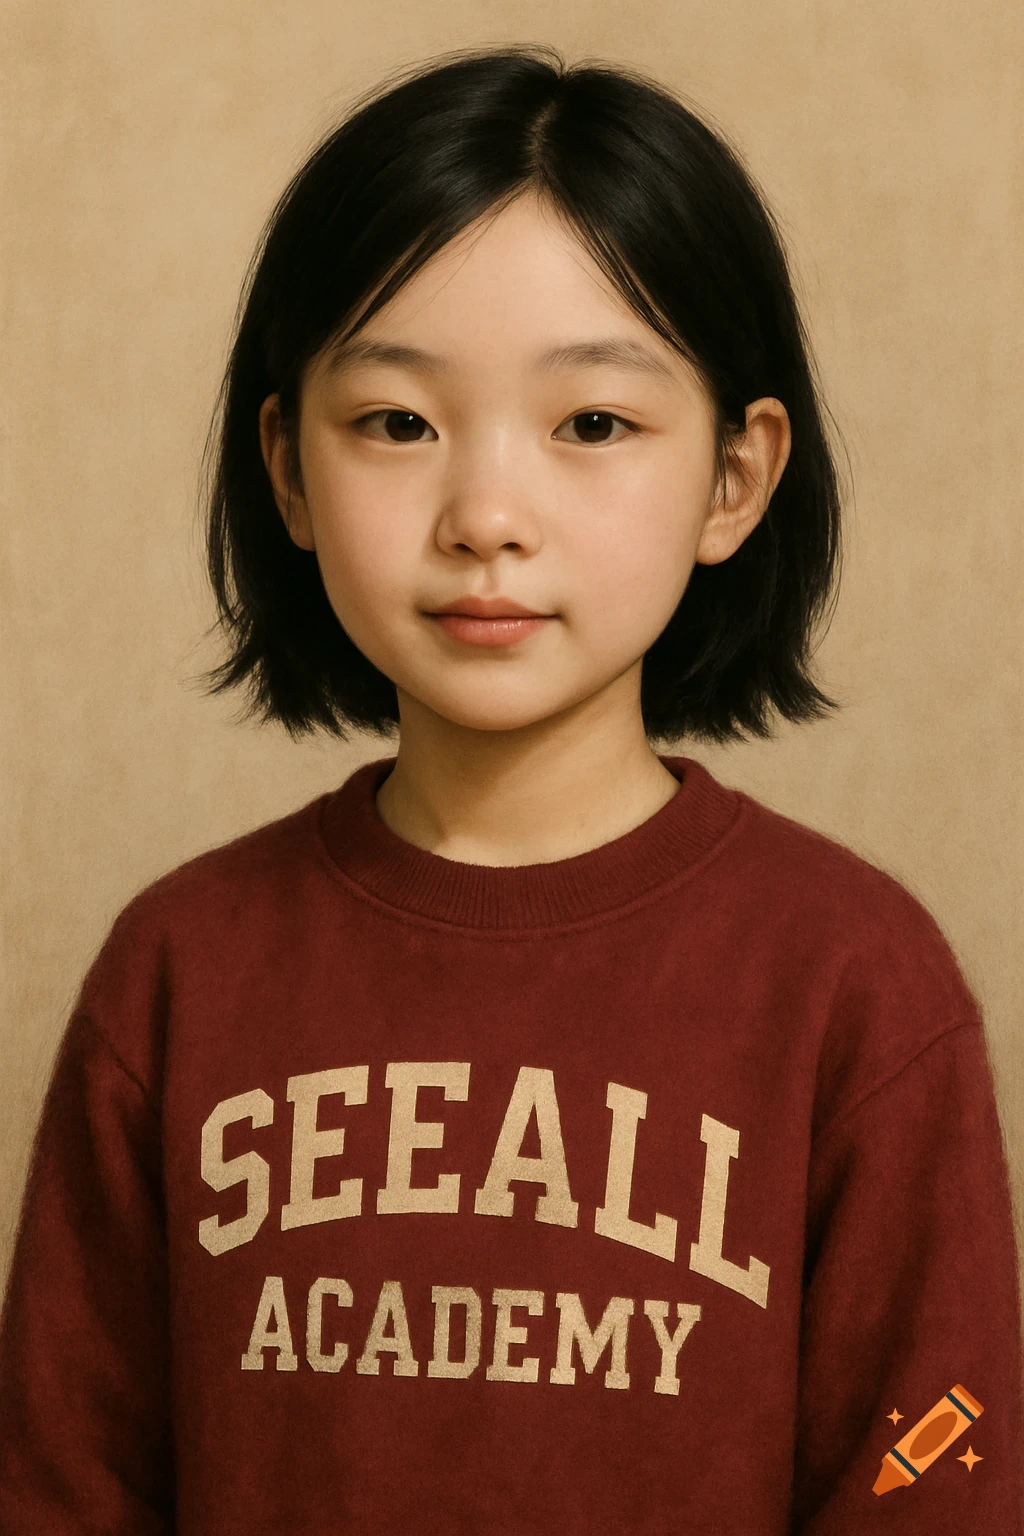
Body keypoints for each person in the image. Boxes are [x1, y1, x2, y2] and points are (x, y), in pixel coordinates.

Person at [0, 42, 1019, 1535]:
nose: (485, 515)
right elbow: (62, 1484)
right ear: (287, 468)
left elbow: (941, 1459)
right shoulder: (180, 969)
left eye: (592, 425)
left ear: (736, 479)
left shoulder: (854, 984)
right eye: (396, 423)